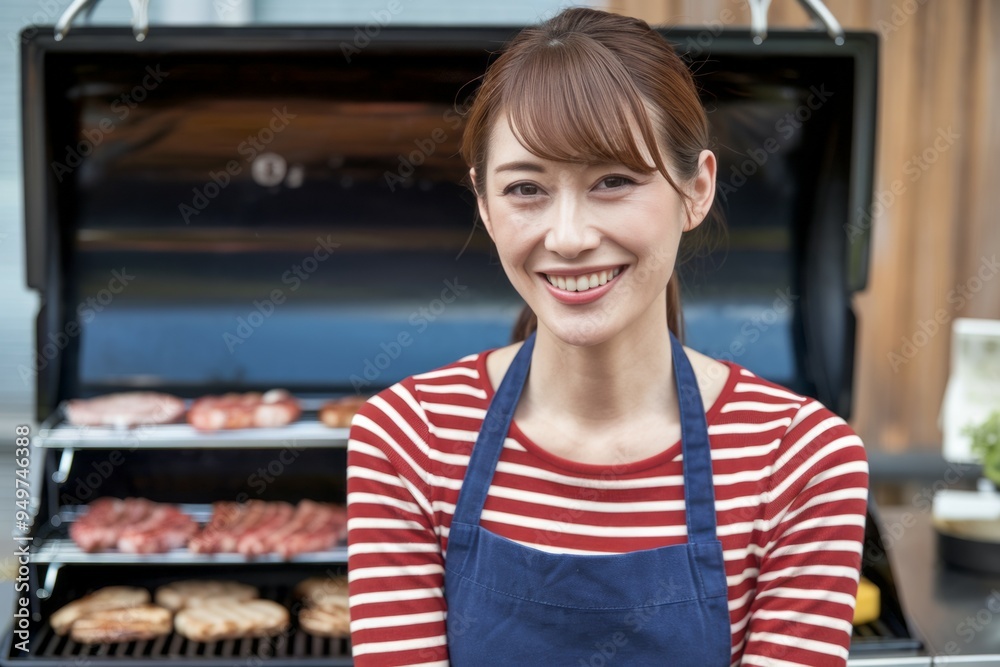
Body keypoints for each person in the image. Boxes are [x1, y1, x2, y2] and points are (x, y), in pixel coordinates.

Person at [346, 7, 869, 666]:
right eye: (526, 188)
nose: (567, 237)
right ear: (483, 201)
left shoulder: (800, 460)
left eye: (614, 181)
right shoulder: (407, 438)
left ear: (696, 188)